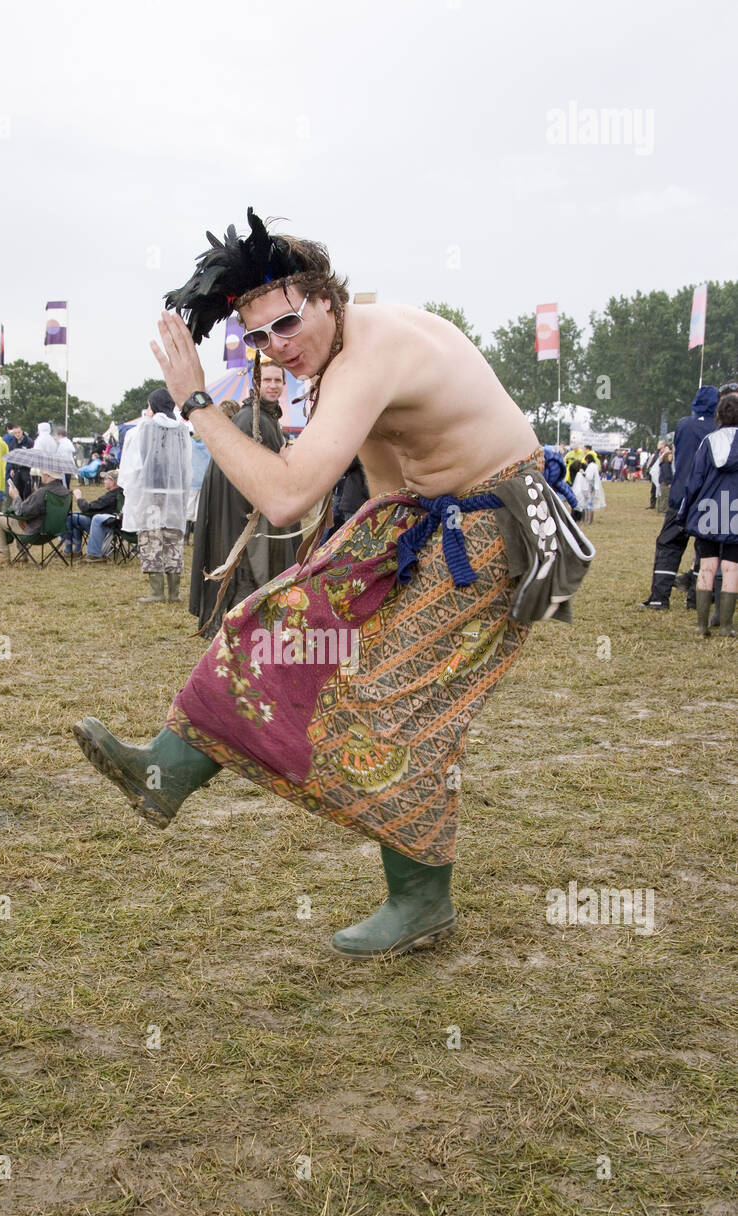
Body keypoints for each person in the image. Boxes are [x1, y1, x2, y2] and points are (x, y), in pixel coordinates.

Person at [73, 208, 594, 960]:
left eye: (285, 324)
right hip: (416, 519)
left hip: (493, 532)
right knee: (274, 619)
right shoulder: (337, 356)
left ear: (325, 295)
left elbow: (285, 498)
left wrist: (196, 402)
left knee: (395, 703)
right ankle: (166, 769)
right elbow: (358, 477)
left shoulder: (369, 353)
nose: (275, 347)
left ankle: (422, 900)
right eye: (257, 338)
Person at [190, 363, 300, 637]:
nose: (274, 385)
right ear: (256, 384)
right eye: (268, 380)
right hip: (243, 511)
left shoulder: (266, 416)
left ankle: (251, 626)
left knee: (258, 567)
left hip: (255, 506)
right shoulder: (251, 418)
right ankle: (243, 628)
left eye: (278, 380)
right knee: (249, 569)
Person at [640, 386, 719, 610]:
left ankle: (659, 598)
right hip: (708, 497)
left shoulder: (684, 425)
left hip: (680, 494)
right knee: (704, 550)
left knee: (669, 545)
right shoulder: (719, 428)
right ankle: (695, 599)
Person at [115, 387, 191, 599]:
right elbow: (186, 465)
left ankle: (157, 592)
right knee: (172, 536)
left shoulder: (142, 429)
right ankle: (173, 592)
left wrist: (128, 486)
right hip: (174, 493)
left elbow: (133, 464)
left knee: (151, 536)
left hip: (149, 492)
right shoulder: (182, 430)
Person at [677, 392, 738, 637]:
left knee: (706, 568)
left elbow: (695, 481)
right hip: (735, 512)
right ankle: (726, 626)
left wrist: (685, 510)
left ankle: (701, 626)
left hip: (707, 511)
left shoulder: (708, 442)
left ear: (718, 416)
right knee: (732, 569)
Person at [0, 456, 70, 564]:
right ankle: (22, 555)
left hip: (35, 532)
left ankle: (3, 555)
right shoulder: (66, 493)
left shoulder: (43, 492)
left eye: (43, 473)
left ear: (48, 476)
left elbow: (20, 512)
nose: (41, 474)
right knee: (21, 520)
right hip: (53, 532)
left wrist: (16, 496)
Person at [65, 469, 123, 557]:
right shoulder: (119, 494)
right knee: (75, 517)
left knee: (70, 518)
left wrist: (79, 498)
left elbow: (86, 509)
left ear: (113, 482)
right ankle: (76, 550)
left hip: (102, 526)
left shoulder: (110, 496)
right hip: (109, 523)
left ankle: (69, 551)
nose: (104, 481)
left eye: (106, 479)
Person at [186, 427, 212, 543]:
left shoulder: (189, 443)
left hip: (192, 481)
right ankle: (197, 539)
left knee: (188, 509)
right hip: (203, 481)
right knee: (198, 512)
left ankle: (185, 537)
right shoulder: (208, 445)